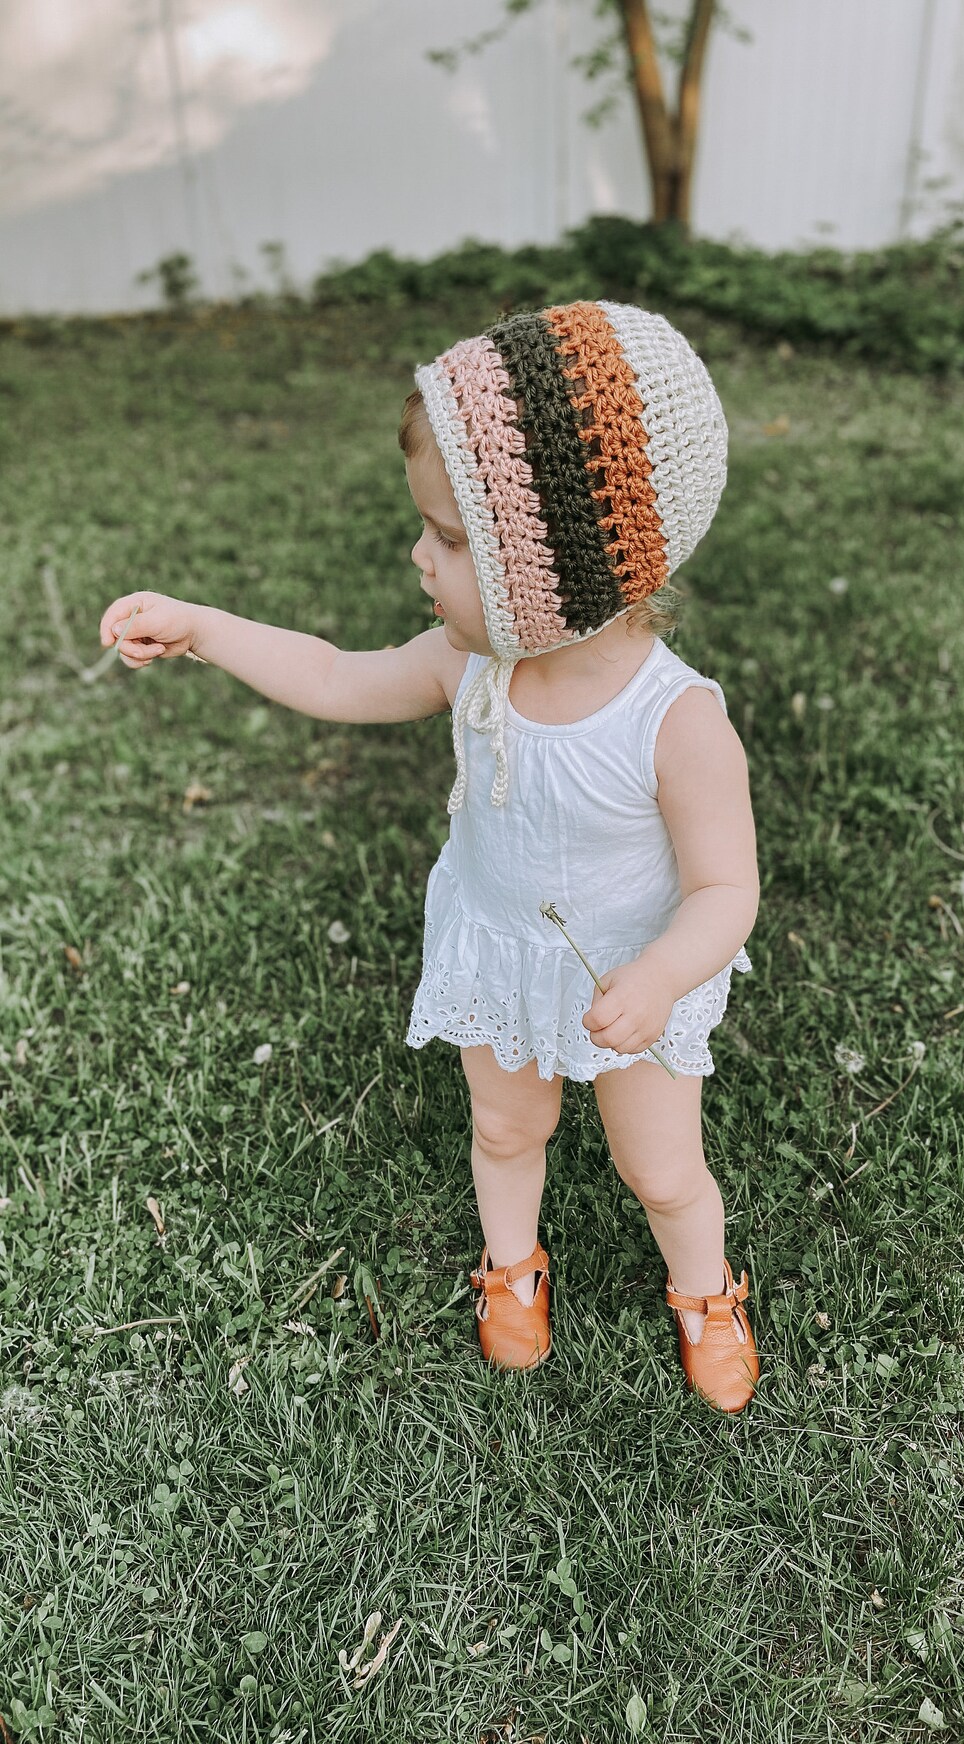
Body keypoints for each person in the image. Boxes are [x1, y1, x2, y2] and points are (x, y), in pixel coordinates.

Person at [98, 300, 761, 1413]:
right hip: (503, 950)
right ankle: (512, 1264)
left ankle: (704, 1290)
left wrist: (658, 978)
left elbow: (726, 888)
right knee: (505, 1124)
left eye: (451, 542)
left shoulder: (675, 719)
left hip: (632, 976)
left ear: (556, 576)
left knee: (660, 1166)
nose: (419, 558)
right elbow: (333, 675)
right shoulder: (471, 665)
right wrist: (208, 626)